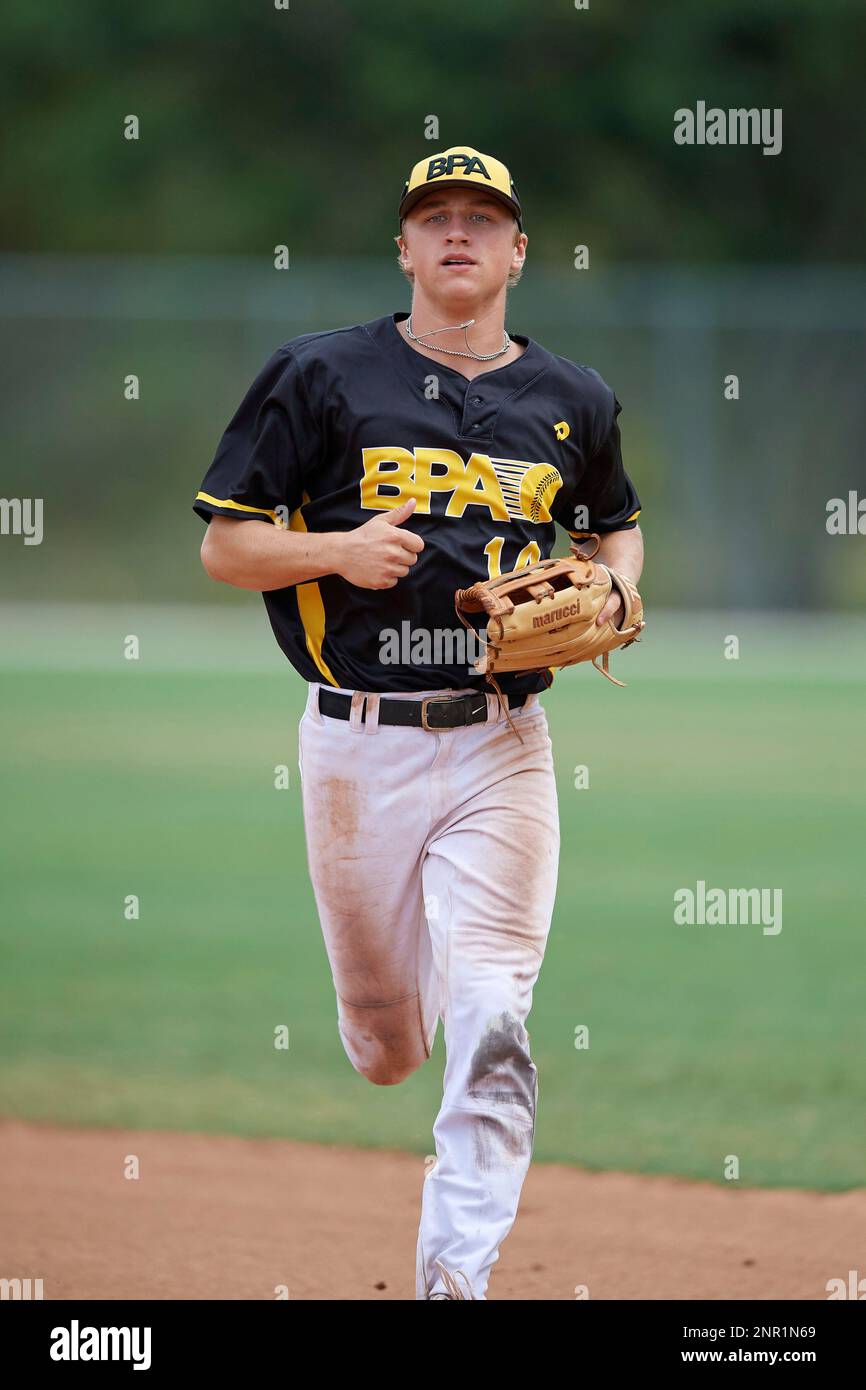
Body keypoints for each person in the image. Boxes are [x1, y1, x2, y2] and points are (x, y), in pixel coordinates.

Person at [194, 145, 644, 1300]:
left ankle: (455, 1280)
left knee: (494, 1006)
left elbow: (611, 525)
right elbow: (225, 545)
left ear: (515, 251)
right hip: (357, 744)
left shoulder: (572, 398)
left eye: (480, 219)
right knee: (389, 1049)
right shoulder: (319, 375)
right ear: (403, 247)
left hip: (502, 740)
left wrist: (619, 587)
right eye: (433, 218)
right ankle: (394, 1010)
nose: (457, 234)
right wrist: (335, 550)